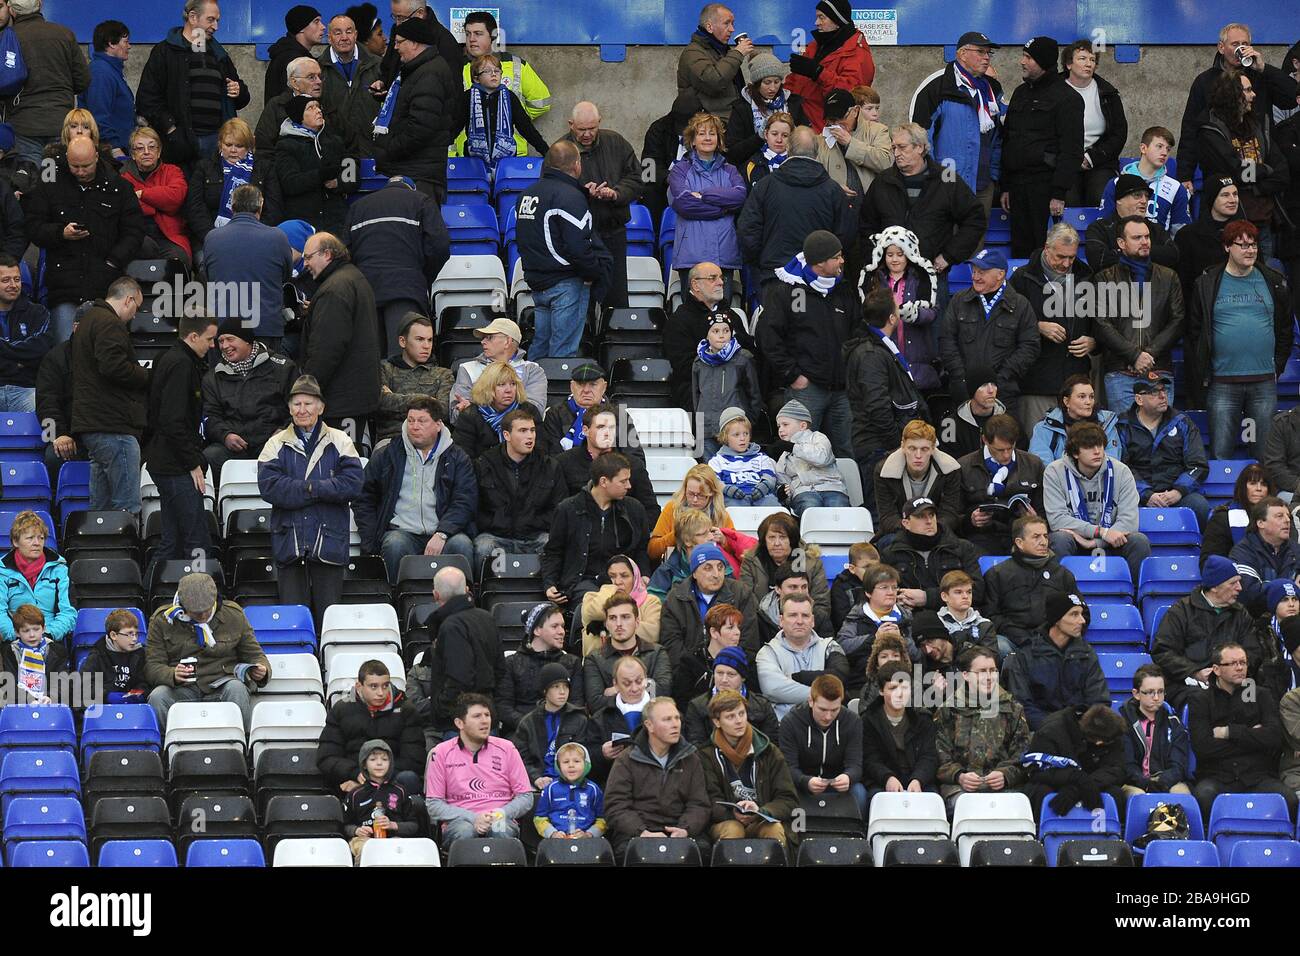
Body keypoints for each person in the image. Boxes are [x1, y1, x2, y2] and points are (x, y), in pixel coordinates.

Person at [257, 375, 364, 630]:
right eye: (296, 404)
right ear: (289, 408)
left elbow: (353, 484)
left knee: (330, 622)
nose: (301, 410)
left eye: (307, 404)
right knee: (294, 623)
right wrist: (320, 489)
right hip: (290, 545)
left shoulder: (341, 441)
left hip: (329, 544)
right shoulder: (275, 443)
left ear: (321, 407)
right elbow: (270, 488)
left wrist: (306, 488)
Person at [22, 136, 144, 344]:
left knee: (106, 347)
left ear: (96, 156)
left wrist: (112, 261)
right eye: (74, 166)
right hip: (64, 284)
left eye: (86, 166)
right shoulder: (50, 183)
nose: (80, 171)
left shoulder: (118, 186)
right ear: (66, 159)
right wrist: (61, 232)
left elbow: (134, 232)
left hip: (105, 283)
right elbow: (33, 226)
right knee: (65, 346)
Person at [1187, 220, 1291, 456]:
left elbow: (1285, 329)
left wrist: (1278, 365)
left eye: (1253, 244)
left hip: (1263, 381)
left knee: (1264, 455)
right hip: (1222, 382)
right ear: (1227, 247)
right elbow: (1195, 331)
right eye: (1242, 245)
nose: (1250, 250)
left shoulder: (1273, 280)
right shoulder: (1207, 282)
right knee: (1220, 452)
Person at [354, 396, 476, 582]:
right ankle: (395, 601)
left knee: (462, 544)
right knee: (394, 544)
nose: (414, 426)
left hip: (444, 533)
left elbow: (465, 500)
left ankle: (462, 602)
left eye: (422, 421)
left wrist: (443, 533)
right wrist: (371, 540)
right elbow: (364, 497)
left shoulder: (457, 457)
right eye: (410, 420)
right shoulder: (387, 454)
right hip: (402, 532)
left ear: (438, 425)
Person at [861, 123, 987, 302]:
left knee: (933, 329)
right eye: (894, 147)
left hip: (931, 279)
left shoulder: (947, 180)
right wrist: (877, 261)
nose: (896, 153)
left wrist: (949, 256)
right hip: (888, 280)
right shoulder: (883, 181)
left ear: (919, 147)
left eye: (902, 147)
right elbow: (866, 227)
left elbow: (975, 219)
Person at [757, 229, 854, 456]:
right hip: (807, 390)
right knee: (801, 451)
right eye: (836, 256)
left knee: (845, 453)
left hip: (842, 390)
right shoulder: (787, 292)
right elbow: (768, 336)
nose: (842, 260)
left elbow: (856, 332)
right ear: (820, 262)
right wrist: (792, 374)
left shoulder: (843, 290)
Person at [515, 141, 612, 360]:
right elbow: (578, 247)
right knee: (562, 354)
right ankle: (556, 394)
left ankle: (533, 394)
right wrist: (592, 273)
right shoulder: (569, 196)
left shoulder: (526, 195)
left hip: (537, 283)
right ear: (576, 165)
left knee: (539, 348)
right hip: (566, 284)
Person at [1177, 22, 1299, 191]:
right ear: (1221, 47)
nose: (1241, 48)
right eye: (1235, 44)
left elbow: (1293, 98)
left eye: (1245, 44)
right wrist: (1185, 175)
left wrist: (1264, 68)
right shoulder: (1205, 81)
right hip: (1223, 174)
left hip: (1263, 173)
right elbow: (1190, 128)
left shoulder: (1261, 77)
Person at [143, 572, 270, 731]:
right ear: (182, 605)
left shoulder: (233, 615)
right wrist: (171, 674)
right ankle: (167, 747)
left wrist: (262, 671)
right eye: (196, 612)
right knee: (158, 697)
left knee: (236, 689)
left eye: (207, 610)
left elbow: (255, 655)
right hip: (182, 688)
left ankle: (239, 743)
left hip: (222, 683)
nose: (203, 615)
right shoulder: (162, 620)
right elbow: (152, 665)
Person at [135, 0, 251, 168]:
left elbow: (242, 97)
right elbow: (147, 98)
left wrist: (239, 90)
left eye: (217, 20)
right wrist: (171, 129)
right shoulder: (165, 51)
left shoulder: (219, 54)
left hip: (217, 142)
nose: (216, 26)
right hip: (179, 144)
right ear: (193, 17)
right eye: (210, 19)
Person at [1188, 642, 1294, 819]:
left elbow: (1275, 738)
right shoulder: (1200, 700)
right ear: (1216, 669)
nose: (1240, 668)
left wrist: (1228, 733)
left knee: (1288, 799)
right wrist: (1253, 737)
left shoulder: (1261, 695)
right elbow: (1203, 747)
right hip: (1217, 776)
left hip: (1258, 775)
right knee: (1203, 797)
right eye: (1233, 663)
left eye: (1243, 663)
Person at [1091, 217, 1186, 414]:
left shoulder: (1169, 276)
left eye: (1147, 237)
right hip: (1120, 372)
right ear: (1121, 243)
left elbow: (1178, 321)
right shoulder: (1104, 277)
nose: (1144, 242)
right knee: (1126, 438)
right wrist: (1134, 355)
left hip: (1159, 370)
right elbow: (1101, 324)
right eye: (1137, 237)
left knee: (1163, 439)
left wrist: (1149, 354)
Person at [70, 278, 149, 514]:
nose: (135, 315)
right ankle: (124, 548)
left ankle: (98, 549)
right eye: (137, 307)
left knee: (100, 509)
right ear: (129, 299)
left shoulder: (89, 320)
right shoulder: (109, 323)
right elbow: (113, 367)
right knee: (127, 507)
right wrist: (146, 375)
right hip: (112, 424)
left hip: (93, 423)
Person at [1000, 37, 1083, 257]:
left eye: (1028, 58)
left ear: (1044, 62)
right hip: (1017, 188)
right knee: (1020, 250)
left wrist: (1058, 193)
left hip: (1044, 189)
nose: (1022, 62)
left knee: (1043, 251)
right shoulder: (1019, 93)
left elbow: (1071, 150)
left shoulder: (1068, 98)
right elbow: (1008, 139)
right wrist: (1006, 186)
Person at [737, 127, 854, 284]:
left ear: (788, 148)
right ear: (817, 151)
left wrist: (763, 261)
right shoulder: (833, 190)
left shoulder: (766, 186)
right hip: (817, 275)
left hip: (775, 273)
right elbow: (845, 234)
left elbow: (748, 230)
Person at [1194, 70, 1290, 260]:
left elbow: (1282, 172)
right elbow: (1234, 172)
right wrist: (1264, 169)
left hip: (1264, 223)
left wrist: (1255, 186)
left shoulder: (1260, 125)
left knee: (1266, 283)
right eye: (1247, 90)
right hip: (1231, 225)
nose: (1253, 95)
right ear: (1232, 95)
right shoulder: (1210, 130)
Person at [144, 314, 217, 563]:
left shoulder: (169, 357)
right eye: (209, 339)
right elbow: (172, 421)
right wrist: (192, 463)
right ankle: (202, 598)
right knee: (197, 540)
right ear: (193, 336)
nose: (213, 345)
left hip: (165, 460)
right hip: (174, 464)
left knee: (172, 542)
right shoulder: (182, 364)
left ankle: (153, 596)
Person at [347, 181, 449, 353]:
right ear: (411, 188)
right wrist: (423, 276)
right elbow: (440, 246)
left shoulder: (358, 207)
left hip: (366, 290)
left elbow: (345, 252)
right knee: (403, 359)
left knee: (371, 359)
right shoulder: (421, 201)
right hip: (406, 290)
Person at [603, 696, 711, 860]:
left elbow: (699, 804)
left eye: (677, 718)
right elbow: (615, 806)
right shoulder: (627, 758)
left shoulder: (690, 757)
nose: (675, 724)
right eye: (667, 719)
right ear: (649, 725)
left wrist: (685, 829)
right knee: (626, 851)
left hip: (679, 829)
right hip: (638, 831)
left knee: (702, 848)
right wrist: (642, 832)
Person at [1151, 556, 1266, 710]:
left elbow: (1254, 652)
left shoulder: (1241, 614)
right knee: (1206, 704)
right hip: (1188, 685)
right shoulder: (1181, 612)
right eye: (1233, 583)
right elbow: (1163, 652)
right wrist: (1194, 671)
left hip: (1236, 682)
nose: (1239, 588)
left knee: (1260, 701)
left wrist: (1230, 671)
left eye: (1239, 582)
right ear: (1214, 586)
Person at [1043, 421, 1152, 581]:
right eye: (1089, 447)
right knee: (1059, 539)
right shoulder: (1054, 472)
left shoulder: (1121, 471)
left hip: (1112, 541)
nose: (1097, 452)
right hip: (1076, 541)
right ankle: (1063, 595)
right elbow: (1057, 520)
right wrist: (1100, 532)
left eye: (1100, 445)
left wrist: (1096, 543)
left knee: (1138, 540)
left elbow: (1129, 521)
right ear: (1075, 453)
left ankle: (1135, 598)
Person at [1011, 225, 1096, 428]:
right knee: (1039, 451)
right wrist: (1037, 326)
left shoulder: (1087, 277)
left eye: (1072, 257)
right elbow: (1006, 322)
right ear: (1046, 249)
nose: (1066, 263)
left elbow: (1100, 322)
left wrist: (1094, 342)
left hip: (1076, 382)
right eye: (1060, 257)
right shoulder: (1022, 279)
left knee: (1078, 449)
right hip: (1036, 383)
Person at [844, 287, 930, 488]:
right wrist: (895, 442)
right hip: (878, 448)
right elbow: (877, 406)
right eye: (897, 308)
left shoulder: (877, 348)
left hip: (882, 446)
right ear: (892, 319)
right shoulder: (871, 355)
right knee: (880, 513)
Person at [911, 31, 1004, 214]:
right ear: (962, 53)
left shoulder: (992, 90)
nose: (986, 58)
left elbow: (997, 137)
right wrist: (930, 180)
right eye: (980, 52)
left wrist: (993, 175)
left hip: (983, 184)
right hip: (947, 182)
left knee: (976, 239)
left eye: (989, 53)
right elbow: (921, 140)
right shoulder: (937, 89)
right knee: (947, 239)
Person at [561, 102, 641, 311]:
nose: (587, 134)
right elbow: (553, 190)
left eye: (592, 128)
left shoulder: (616, 142)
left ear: (599, 123)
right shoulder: (560, 150)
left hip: (613, 232)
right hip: (578, 238)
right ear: (571, 124)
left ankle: (615, 339)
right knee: (579, 301)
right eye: (581, 129)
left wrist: (616, 193)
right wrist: (582, 194)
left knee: (616, 299)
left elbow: (635, 177)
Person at [938, 247, 1039, 411]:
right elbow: (947, 341)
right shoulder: (959, 301)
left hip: (1003, 393)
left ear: (1000, 274)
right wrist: (961, 377)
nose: (975, 277)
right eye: (974, 271)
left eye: (982, 272)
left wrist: (1002, 378)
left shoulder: (1020, 305)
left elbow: (1029, 346)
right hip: (964, 392)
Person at [543, 454, 649, 611]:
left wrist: (644, 575)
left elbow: (641, 548)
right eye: (623, 481)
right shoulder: (568, 509)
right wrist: (549, 583)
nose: (629, 486)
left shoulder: (634, 509)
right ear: (604, 482)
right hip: (582, 583)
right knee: (600, 606)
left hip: (623, 581)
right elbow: (553, 551)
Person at [424, 693, 533, 846]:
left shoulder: (507, 748)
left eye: (487, 715)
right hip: (460, 820)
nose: (485, 721)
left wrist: (501, 813)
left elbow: (526, 797)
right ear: (459, 723)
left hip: (501, 818)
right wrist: (473, 817)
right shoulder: (441, 752)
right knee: (465, 831)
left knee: (499, 829)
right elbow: (434, 804)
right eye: (477, 716)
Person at [299, 232, 381, 430]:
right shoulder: (353, 277)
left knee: (340, 460)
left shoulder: (334, 290)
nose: (305, 264)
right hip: (356, 399)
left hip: (341, 403)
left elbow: (325, 350)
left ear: (327, 254)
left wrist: (306, 391)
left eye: (308, 257)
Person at [934, 646, 1032, 810]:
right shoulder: (948, 710)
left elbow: (1023, 754)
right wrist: (959, 776)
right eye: (981, 672)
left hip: (1004, 787)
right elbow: (939, 755)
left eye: (993, 671)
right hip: (961, 788)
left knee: (1013, 806)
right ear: (965, 675)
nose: (989, 677)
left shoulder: (1012, 709)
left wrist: (1006, 774)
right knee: (966, 806)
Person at [700, 689, 798, 849]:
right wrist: (733, 814)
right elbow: (708, 800)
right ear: (717, 722)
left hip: (762, 819)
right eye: (730, 716)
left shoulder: (769, 752)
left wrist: (762, 811)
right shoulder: (706, 755)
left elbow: (789, 799)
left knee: (774, 829)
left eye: (741, 714)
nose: (739, 721)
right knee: (734, 828)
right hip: (725, 821)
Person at [473, 407, 566, 572]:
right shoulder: (485, 464)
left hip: (536, 535)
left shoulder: (549, 466)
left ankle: (548, 593)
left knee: (551, 544)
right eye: (523, 431)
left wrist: (532, 522)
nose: (530, 436)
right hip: (496, 535)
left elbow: (559, 509)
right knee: (483, 547)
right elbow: (475, 507)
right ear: (507, 435)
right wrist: (497, 522)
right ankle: (488, 595)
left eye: (532, 430)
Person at [412, 567, 501, 738]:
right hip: (487, 715)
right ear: (467, 590)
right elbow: (500, 670)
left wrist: (441, 706)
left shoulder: (450, 626)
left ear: (435, 595)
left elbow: (459, 677)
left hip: (458, 722)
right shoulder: (487, 618)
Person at [372, 15, 454, 201]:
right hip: (416, 170)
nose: (395, 47)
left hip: (419, 174)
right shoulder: (419, 70)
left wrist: (388, 147)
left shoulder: (430, 73)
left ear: (415, 43)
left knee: (415, 227)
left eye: (400, 42)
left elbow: (421, 127)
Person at [316, 659, 426, 796]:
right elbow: (327, 757)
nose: (381, 692)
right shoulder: (341, 710)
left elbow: (415, 759)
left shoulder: (405, 710)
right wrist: (355, 773)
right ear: (359, 686)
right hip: (354, 779)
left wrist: (375, 780)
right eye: (374, 686)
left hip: (393, 781)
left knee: (409, 778)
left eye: (385, 686)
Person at [201, 319, 298, 474]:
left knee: (292, 454)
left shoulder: (283, 368)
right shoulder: (212, 378)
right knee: (210, 456)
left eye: (230, 339)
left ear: (247, 340)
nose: (225, 346)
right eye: (221, 341)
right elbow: (210, 417)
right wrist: (226, 436)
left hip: (275, 443)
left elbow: (300, 408)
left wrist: (284, 431)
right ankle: (222, 498)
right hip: (234, 447)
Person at [670, 112, 748, 303]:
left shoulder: (730, 170)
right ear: (693, 140)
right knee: (692, 315)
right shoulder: (680, 169)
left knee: (722, 317)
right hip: (691, 255)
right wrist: (722, 208)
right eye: (702, 133)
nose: (707, 138)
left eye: (712, 133)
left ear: (719, 139)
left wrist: (705, 194)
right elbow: (683, 203)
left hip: (724, 253)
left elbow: (739, 197)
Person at [1002, 591, 1109, 730]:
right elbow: (1022, 705)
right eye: (1074, 614)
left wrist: (1080, 728)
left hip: (1082, 732)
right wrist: (1055, 729)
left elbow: (1099, 700)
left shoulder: (1087, 654)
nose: (1082, 620)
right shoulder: (1025, 655)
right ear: (1056, 619)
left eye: (1081, 614)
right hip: (1041, 734)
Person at [1118, 374, 1211, 529]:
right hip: (1137, 495)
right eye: (1154, 392)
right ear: (1139, 399)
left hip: (1175, 492)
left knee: (1199, 506)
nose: (1163, 396)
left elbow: (1198, 465)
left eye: (1164, 390)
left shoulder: (1182, 422)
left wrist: (1178, 491)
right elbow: (1121, 467)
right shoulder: (1122, 425)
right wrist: (1146, 494)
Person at [4, 0, 90, 165]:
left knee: (30, 176)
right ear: (40, 5)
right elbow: (83, 80)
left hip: (24, 123)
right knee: (56, 177)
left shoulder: (7, 38)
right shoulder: (64, 34)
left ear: (11, 11)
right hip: (60, 120)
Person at [983, 516, 1079, 657]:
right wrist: (1022, 638)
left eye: (1045, 536)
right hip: (1013, 640)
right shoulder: (997, 574)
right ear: (1020, 543)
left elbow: (1081, 611)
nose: (1043, 542)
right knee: (999, 645)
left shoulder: (1062, 574)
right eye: (1036, 537)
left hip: (1052, 639)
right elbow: (991, 615)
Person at [659, 543, 761, 673]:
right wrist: (697, 671)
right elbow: (672, 645)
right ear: (694, 573)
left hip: (732, 670)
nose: (716, 574)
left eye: (720, 567)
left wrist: (724, 669)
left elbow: (749, 641)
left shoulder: (741, 594)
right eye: (708, 568)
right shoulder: (676, 599)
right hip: (689, 674)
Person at [777, 674, 867, 817]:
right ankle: (795, 837)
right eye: (823, 709)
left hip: (838, 783)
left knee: (859, 792)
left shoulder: (852, 721)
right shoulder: (791, 722)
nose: (828, 717)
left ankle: (856, 835)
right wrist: (805, 781)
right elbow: (788, 767)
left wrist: (848, 777)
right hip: (803, 783)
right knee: (786, 792)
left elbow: (855, 764)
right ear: (811, 701)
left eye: (834, 710)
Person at [957, 414, 1047, 556]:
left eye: (1010, 448)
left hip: (1025, 537)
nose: (1006, 455)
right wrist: (970, 520)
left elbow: (1045, 510)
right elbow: (953, 514)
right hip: (981, 537)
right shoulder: (964, 466)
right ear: (985, 440)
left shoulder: (1033, 464)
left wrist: (1035, 519)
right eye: (999, 450)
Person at [1024, 703, 1128, 821]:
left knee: (1116, 794)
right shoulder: (1051, 730)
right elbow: (1035, 770)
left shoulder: (1111, 730)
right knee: (1041, 792)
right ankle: (1043, 834)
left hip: (1092, 781)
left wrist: (1080, 787)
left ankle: (1112, 835)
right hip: (1054, 780)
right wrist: (1076, 778)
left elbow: (1116, 768)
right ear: (1099, 741)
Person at [555, 406, 659, 524]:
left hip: (623, 535)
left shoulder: (633, 465)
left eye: (612, 428)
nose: (607, 433)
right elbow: (558, 509)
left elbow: (651, 511)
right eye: (600, 427)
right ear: (585, 430)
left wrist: (630, 533)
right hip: (579, 534)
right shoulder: (564, 462)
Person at [783, 0, 875, 132]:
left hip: (829, 130)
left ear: (837, 20)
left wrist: (819, 73)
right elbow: (796, 80)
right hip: (799, 124)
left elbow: (853, 95)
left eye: (822, 17)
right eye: (817, 17)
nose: (816, 23)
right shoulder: (814, 46)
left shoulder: (857, 53)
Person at [880, 495, 983, 612]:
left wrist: (927, 597)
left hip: (956, 617)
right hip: (911, 619)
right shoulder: (890, 554)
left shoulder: (962, 547)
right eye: (920, 516)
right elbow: (883, 593)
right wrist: (901, 599)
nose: (929, 521)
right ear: (906, 523)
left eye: (931, 515)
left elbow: (977, 591)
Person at [755, 592, 850, 720]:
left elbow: (840, 675)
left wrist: (796, 678)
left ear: (813, 621)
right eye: (793, 615)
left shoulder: (830, 646)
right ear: (781, 620)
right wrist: (825, 695)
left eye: (805, 616)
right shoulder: (767, 652)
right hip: (783, 729)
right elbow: (773, 689)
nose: (799, 621)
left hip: (827, 724)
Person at [1058, 39, 1127, 207]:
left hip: (1099, 161)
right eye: (1082, 59)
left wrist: (1090, 158)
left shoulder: (1108, 93)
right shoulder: (1054, 91)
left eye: (1092, 60)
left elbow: (1119, 134)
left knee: (1101, 196)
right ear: (1068, 64)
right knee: (1068, 200)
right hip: (1062, 161)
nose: (1088, 64)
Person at [449, 53, 548, 169]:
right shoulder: (467, 98)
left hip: (506, 162)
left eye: (497, 70)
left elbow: (526, 128)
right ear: (476, 78)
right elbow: (454, 128)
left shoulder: (509, 97)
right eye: (487, 71)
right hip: (474, 162)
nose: (493, 74)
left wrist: (547, 152)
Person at [495, 603, 583, 735]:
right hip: (521, 733)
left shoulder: (571, 662)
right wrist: (531, 725)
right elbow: (503, 707)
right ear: (536, 630)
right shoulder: (511, 663)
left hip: (562, 733)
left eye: (563, 626)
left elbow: (577, 704)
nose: (562, 631)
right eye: (554, 626)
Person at [275, 95, 355, 236]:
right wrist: (320, 175)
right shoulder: (286, 145)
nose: (318, 110)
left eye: (318, 106)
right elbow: (290, 183)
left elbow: (352, 171)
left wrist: (339, 183)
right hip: (304, 221)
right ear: (299, 115)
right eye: (311, 108)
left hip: (336, 220)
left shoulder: (335, 141)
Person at [581, 591, 672, 713]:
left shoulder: (657, 653)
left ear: (637, 622)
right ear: (606, 624)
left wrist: (615, 689)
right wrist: (647, 686)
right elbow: (596, 704)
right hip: (611, 725)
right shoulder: (594, 659)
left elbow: (662, 693)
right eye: (613, 618)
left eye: (625, 617)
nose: (619, 624)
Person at [872, 419, 962, 541]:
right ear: (903, 446)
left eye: (924, 449)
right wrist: (914, 529)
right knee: (889, 541)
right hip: (899, 531)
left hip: (936, 530)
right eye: (912, 448)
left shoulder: (950, 469)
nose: (918, 455)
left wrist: (930, 529)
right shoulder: (884, 471)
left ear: (933, 449)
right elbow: (887, 517)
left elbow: (950, 514)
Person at [458, 10, 550, 130]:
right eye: (468, 34)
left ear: (493, 36)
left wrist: (515, 119)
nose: (472, 39)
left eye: (478, 33)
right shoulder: (457, 67)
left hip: (511, 147)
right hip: (470, 147)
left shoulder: (516, 65)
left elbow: (542, 103)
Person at [861, 664, 939, 798]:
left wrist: (918, 779)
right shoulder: (868, 721)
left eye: (904, 688)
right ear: (881, 690)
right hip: (881, 782)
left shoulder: (923, 719)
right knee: (878, 801)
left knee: (932, 800)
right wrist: (887, 778)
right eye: (892, 688)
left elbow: (929, 756)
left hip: (920, 782)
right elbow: (870, 759)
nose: (900, 693)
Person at [374, 315, 452, 449]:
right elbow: (380, 403)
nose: (426, 346)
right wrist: (427, 400)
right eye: (420, 339)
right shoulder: (385, 369)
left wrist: (396, 399)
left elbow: (442, 411)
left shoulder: (443, 374)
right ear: (403, 341)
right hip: (392, 440)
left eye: (430, 340)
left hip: (432, 442)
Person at [1098, 127, 1192, 237]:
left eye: (1168, 149)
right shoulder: (1115, 183)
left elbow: (1180, 233)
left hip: (1159, 249)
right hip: (1122, 247)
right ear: (1143, 148)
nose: (1164, 153)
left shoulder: (1176, 188)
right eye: (1159, 146)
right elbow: (1105, 224)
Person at [739, 511, 832, 621]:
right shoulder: (751, 561)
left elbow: (821, 604)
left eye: (782, 537)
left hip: (803, 624)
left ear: (792, 540)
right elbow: (747, 603)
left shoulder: (811, 563)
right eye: (772, 537)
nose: (777, 543)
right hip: (763, 626)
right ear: (764, 540)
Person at [450, 317, 548, 419]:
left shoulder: (533, 370)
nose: (482, 341)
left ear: (507, 341)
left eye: (489, 337)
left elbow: (535, 413)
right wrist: (464, 411)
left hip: (518, 432)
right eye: (483, 338)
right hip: (478, 432)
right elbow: (455, 416)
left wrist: (476, 410)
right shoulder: (467, 369)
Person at [0, 510, 73, 645]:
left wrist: (47, 634)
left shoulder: (59, 569)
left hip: (50, 639)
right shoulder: (2, 571)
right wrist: (18, 636)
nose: (37, 543)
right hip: (13, 640)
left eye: (41, 538)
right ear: (15, 541)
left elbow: (68, 612)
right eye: (30, 538)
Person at [1120, 664, 1192, 799]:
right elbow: (1127, 765)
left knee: (1182, 795)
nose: (1156, 697)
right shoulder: (1123, 723)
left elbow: (1178, 765)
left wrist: (1161, 782)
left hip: (1166, 781)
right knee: (1139, 797)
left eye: (1160, 691)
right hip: (1133, 783)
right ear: (1136, 694)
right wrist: (1145, 784)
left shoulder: (1174, 723)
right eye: (1150, 692)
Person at [684, 644, 779, 746]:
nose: (724, 680)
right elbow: (697, 747)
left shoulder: (762, 706)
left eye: (731, 674)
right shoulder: (697, 706)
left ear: (743, 678)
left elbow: (770, 746)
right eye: (719, 673)